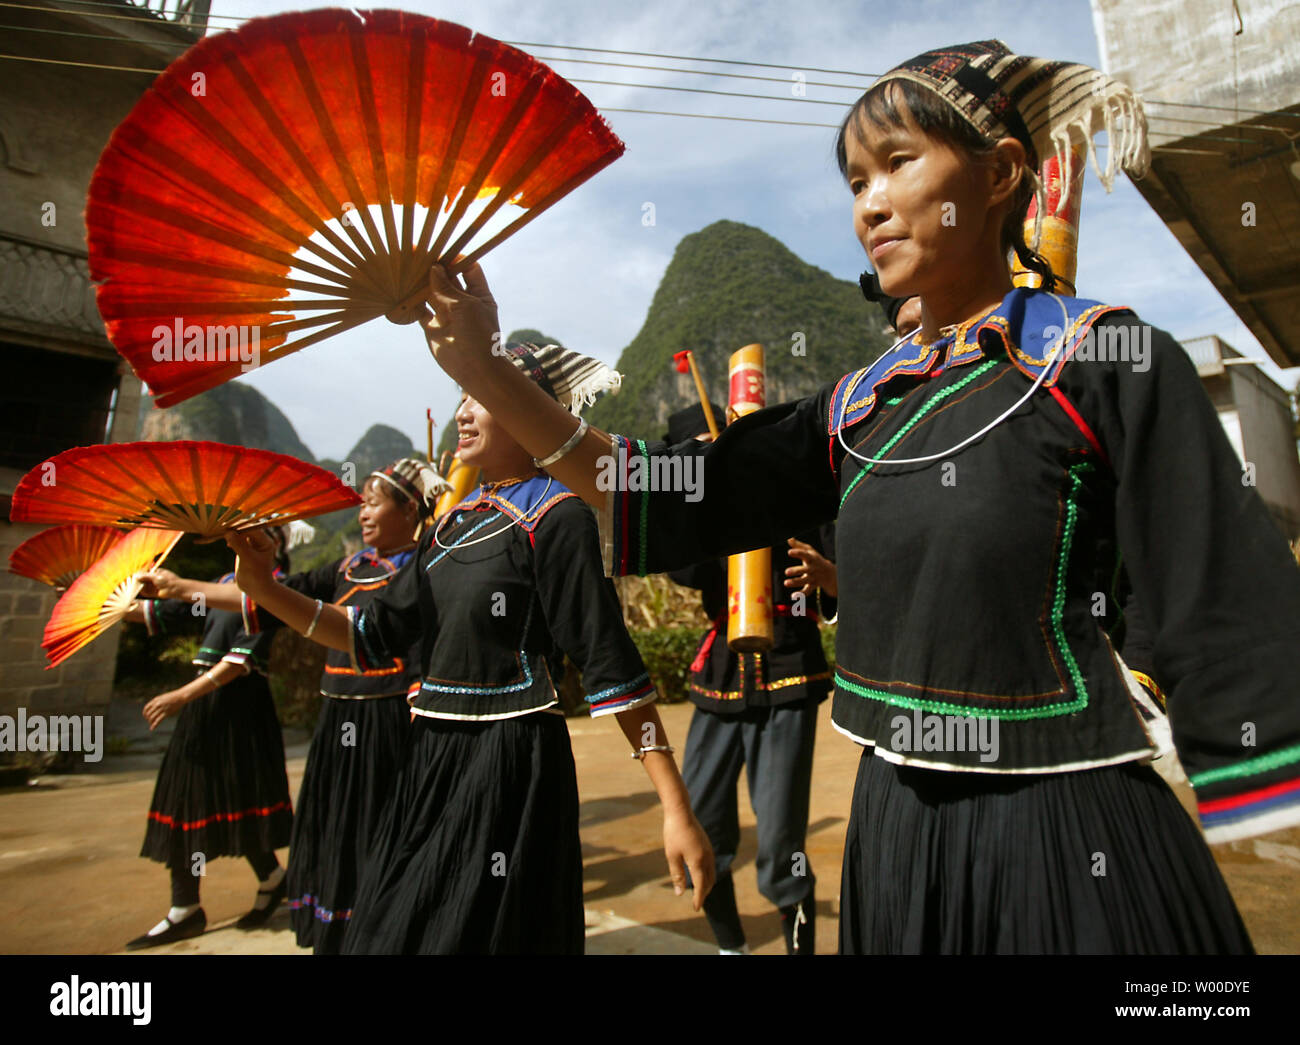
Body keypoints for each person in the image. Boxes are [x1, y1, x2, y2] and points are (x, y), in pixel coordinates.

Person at [418, 40, 1300, 954]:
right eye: (854, 181)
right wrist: (487, 370)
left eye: (898, 163)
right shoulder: (853, 410)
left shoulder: (1104, 361)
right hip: (896, 829)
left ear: (1001, 173)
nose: (869, 203)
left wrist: (1234, 758)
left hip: (1065, 822)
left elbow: (1221, 603)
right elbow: (662, 490)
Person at [226, 343, 714, 954]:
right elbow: (366, 633)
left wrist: (675, 806)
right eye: (462, 396)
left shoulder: (557, 517)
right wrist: (262, 587)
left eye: (479, 396)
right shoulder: (452, 525)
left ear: (526, 408)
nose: (463, 412)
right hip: (428, 757)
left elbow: (608, 663)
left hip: (508, 762)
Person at [138, 459, 447, 953]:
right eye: (362, 503)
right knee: (336, 827)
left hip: (389, 721)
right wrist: (183, 588)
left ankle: (386, 930)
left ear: (410, 509)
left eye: (374, 503)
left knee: (381, 827)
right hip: (338, 719)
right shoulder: (347, 568)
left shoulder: (423, 568)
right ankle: (340, 931)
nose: (363, 513)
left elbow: (424, 651)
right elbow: (271, 598)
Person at [665, 402, 836, 955]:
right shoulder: (699, 510)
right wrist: (703, 498)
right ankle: (729, 946)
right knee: (703, 823)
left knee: (782, 840)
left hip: (788, 672)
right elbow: (684, 568)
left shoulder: (801, 492)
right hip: (720, 679)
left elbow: (842, 572)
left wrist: (829, 577)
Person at [123, 530, 294, 950]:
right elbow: (167, 613)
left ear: (273, 544)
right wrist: (103, 605)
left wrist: (182, 695)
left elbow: (239, 661)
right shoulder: (220, 585)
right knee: (201, 798)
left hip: (239, 706)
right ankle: (264, 881)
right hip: (206, 703)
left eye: (254, 533)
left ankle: (190, 908)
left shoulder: (275, 589)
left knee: (224, 798)